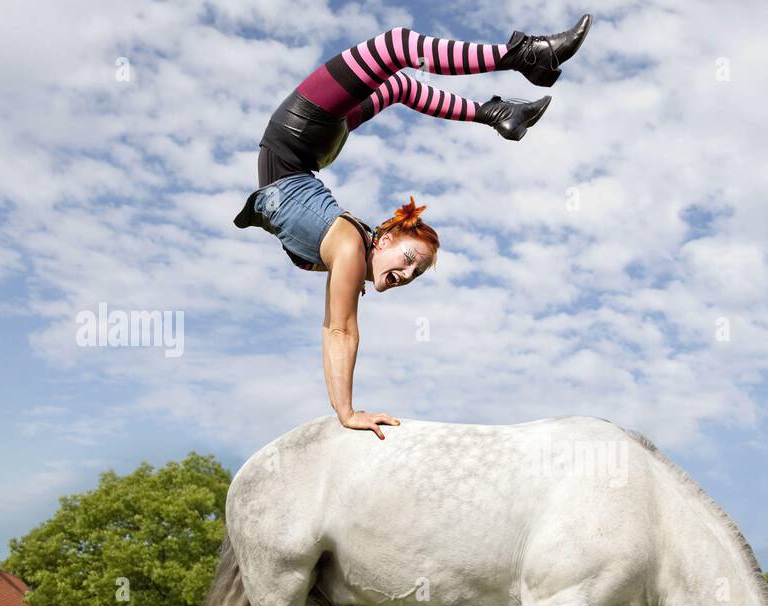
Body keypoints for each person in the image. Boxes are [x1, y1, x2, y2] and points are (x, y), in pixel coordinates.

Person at [233, 16, 594, 438]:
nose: (406, 274)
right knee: (397, 47)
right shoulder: (348, 244)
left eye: (414, 273)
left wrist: (342, 409)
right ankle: (525, 56)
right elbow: (341, 329)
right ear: (382, 239)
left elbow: (333, 324)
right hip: (298, 136)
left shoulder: (346, 256)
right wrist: (347, 413)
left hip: (309, 146)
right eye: (408, 259)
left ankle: (498, 111)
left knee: (400, 84)